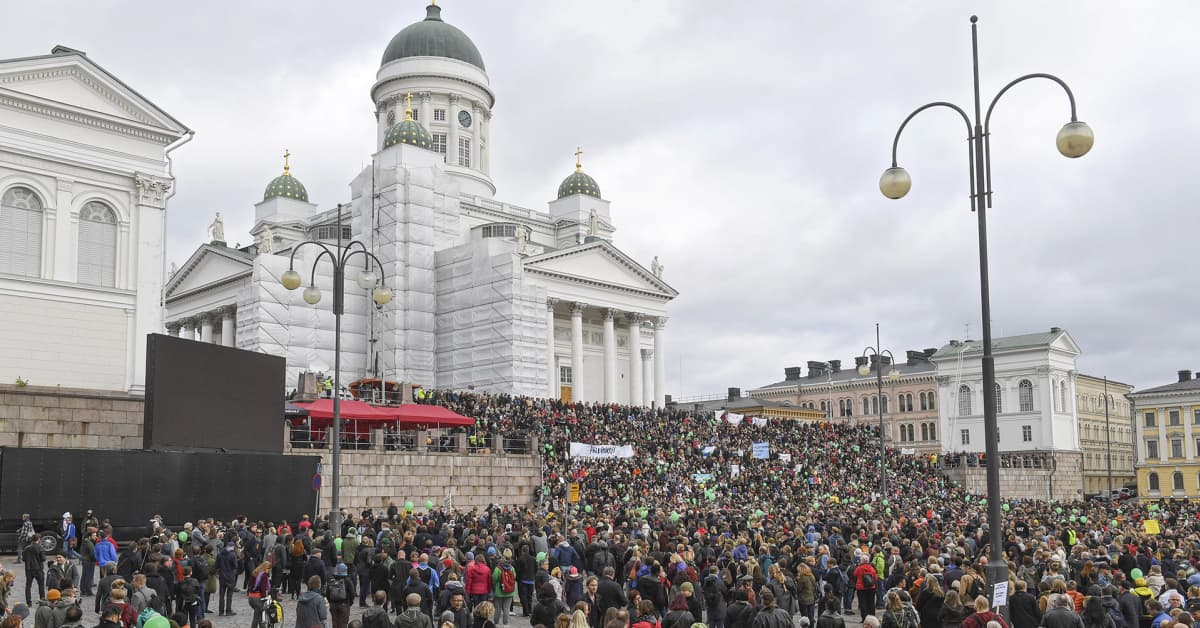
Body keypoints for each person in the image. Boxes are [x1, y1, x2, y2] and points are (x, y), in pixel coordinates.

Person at [216, 543, 240, 616]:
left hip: (222, 577)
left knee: (221, 595)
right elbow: (235, 566)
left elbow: (216, 566)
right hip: (230, 576)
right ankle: (228, 610)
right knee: (229, 595)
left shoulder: (219, 554)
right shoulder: (232, 555)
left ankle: (221, 611)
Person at [492, 559, 516, 627]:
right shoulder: (512, 568)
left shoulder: (497, 569)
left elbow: (494, 579)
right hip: (509, 592)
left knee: (498, 608)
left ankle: (496, 623)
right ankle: (505, 624)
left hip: (499, 592)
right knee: (506, 608)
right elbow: (514, 577)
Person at [249, 561, 274, 628]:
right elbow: (263, 588)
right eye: (269, 569)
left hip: (251, 598)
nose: (269, 571)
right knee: (256, 618)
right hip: (257, 598)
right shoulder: (263, 575)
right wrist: (265, 596)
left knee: (260, 615)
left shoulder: (255, 573)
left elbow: (250, 586)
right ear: (266, 568)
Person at [22, 535, 45, 605]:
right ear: (38, 539)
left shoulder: (26, 548)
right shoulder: (40, 547)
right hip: (38, 569)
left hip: (28, 569)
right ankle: (42, 600)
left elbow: (23, 559)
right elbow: (43, 558)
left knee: (28, 586)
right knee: (41, 585)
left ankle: (28, 602)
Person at [853, 556, 878, 621]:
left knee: (862, 603)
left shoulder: (859, 568)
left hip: (861, 588)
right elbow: (875, 578)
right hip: (871, 587)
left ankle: (864, 618)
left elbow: (855, 575)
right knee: (871, 603)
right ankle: (872, 617)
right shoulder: (871, 568)